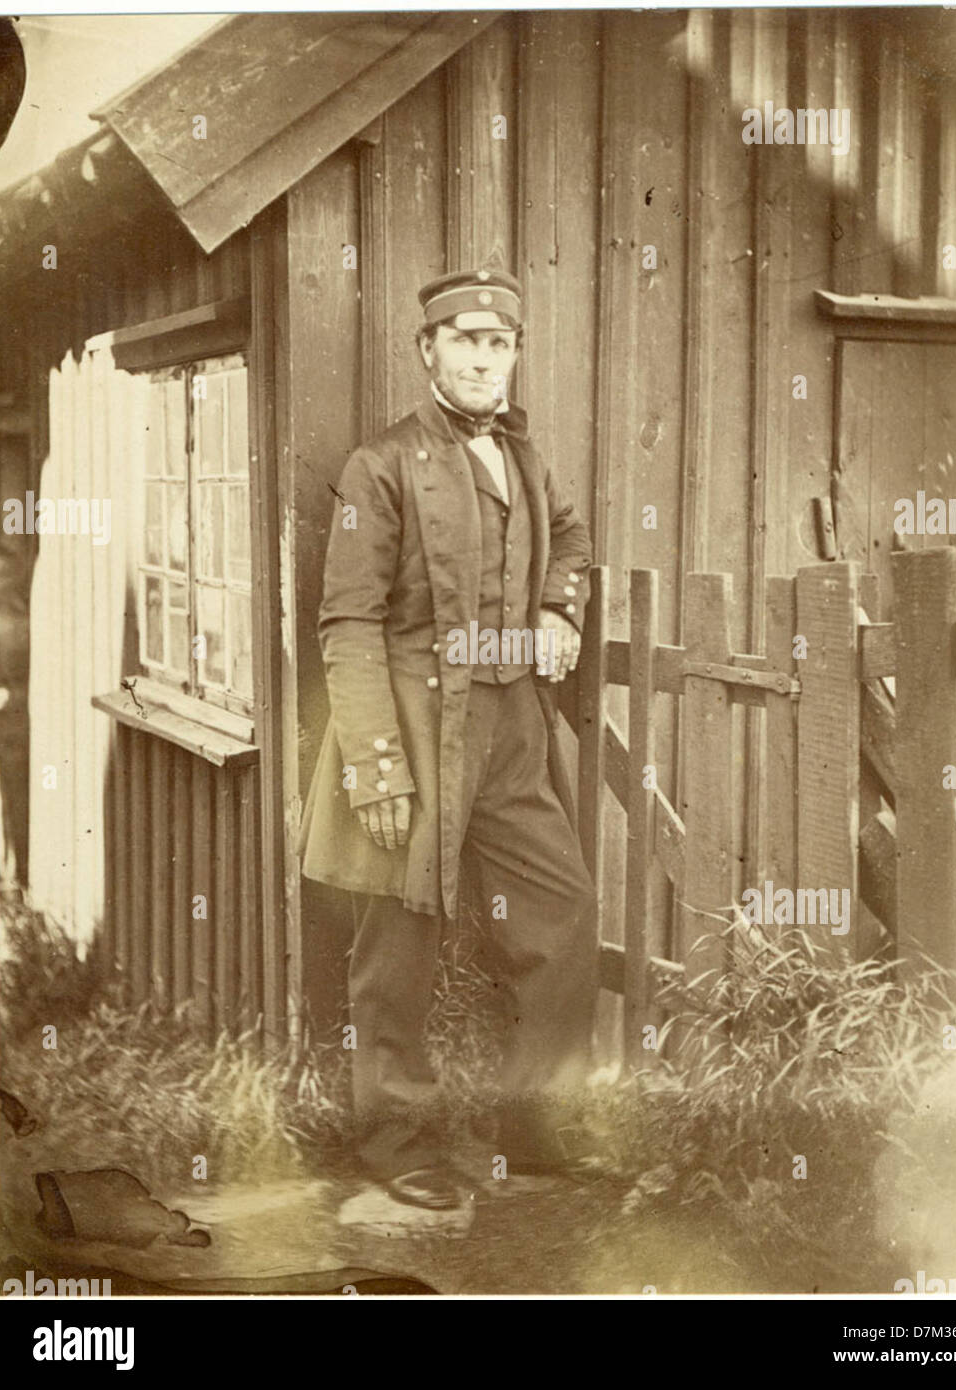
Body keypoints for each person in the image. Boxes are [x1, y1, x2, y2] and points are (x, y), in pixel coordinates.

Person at [300, 268, 598, 1210]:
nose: (481, 359)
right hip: (417, 723)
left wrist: (559, 609)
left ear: (513, 353)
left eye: (498, 343)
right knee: (401, 939)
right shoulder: (380, 466)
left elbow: (573, 542)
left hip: (510, 724)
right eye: (463, 341)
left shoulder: (529, 458)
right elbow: (345, 624)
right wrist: (375, 766)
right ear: (427, 350)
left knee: (562, 913)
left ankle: (534, 1123)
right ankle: (396, 1140)